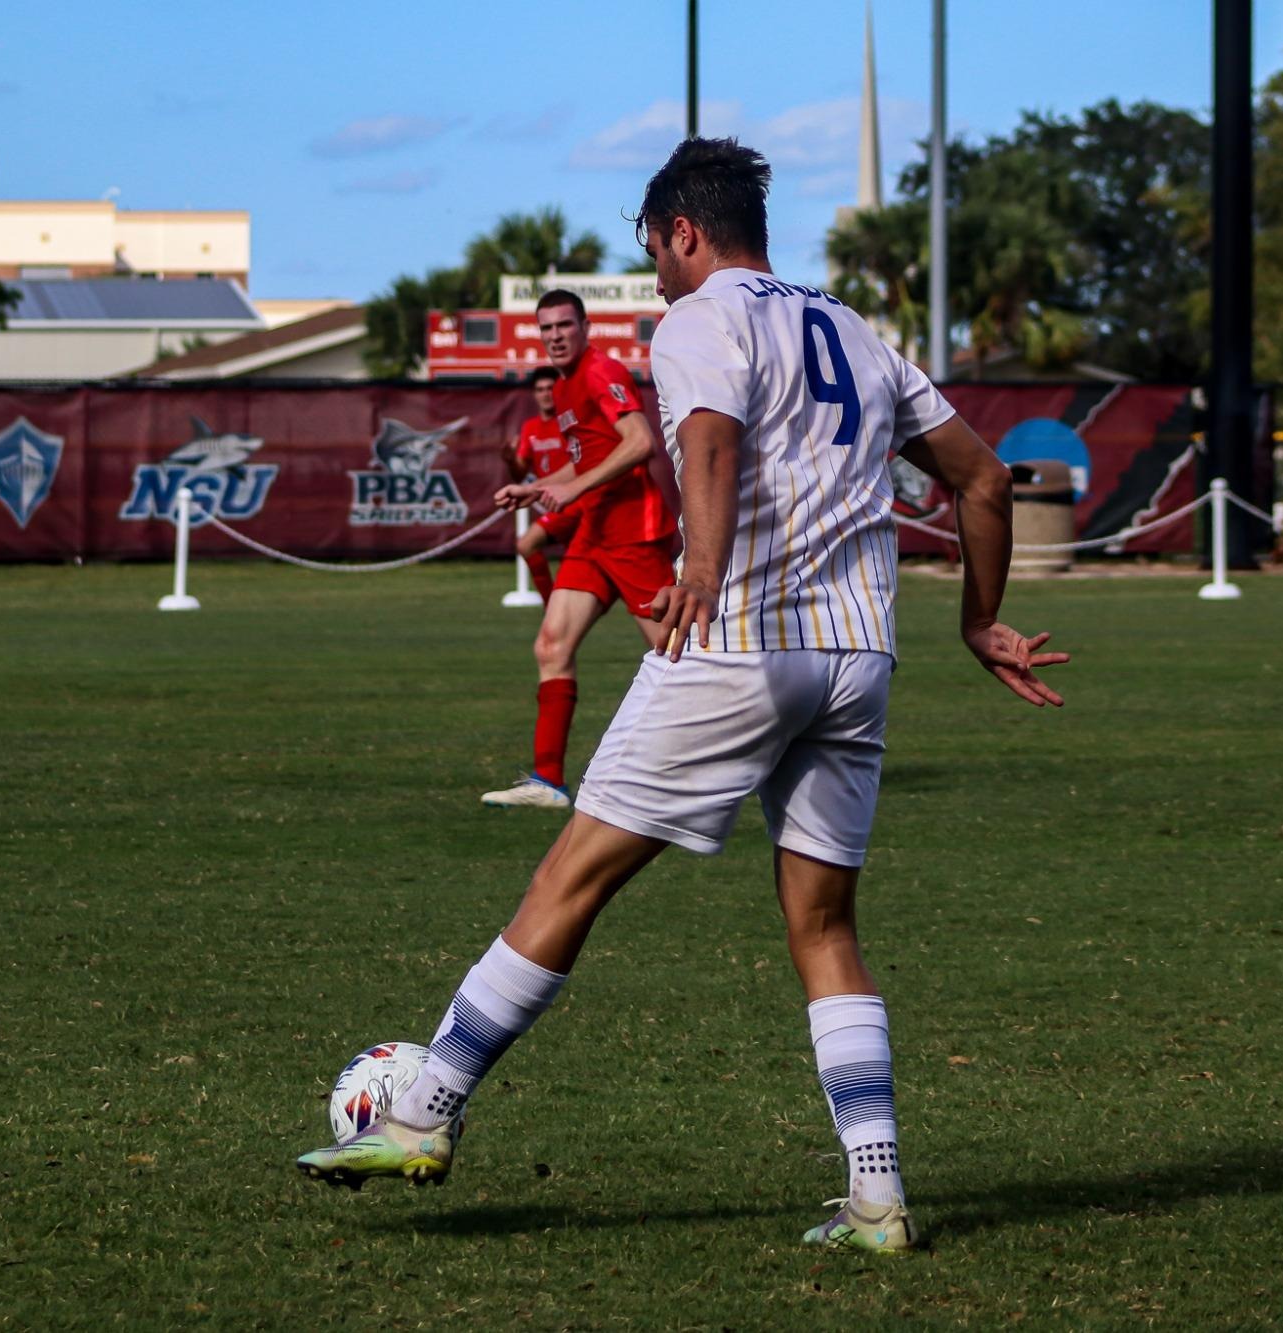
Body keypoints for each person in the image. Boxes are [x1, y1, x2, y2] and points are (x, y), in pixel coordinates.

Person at [297, 137, 1070, 1253]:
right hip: (858, 657)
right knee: (823, 926)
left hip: (741, 640)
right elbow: (983, 478)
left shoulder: (702, 317)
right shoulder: (853, 329)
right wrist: (978, 619)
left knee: (571, 875)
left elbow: (708, 437)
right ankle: (877, 1197)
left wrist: (701, 566)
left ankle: (423, 1111)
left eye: (652, 247)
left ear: (684, 232)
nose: (655, 272)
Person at [478, 289, 678, 810]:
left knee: (678, 656)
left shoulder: (598, 371)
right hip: (595, 532)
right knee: (551, 645)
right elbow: (589, 457)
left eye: (564, 325)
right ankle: (548, 782)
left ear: (585, 328)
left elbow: (640, 442)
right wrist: (538, 487)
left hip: (633, 531)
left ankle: (751, 748)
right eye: (546, 328)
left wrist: (573, 489)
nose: (556, 336)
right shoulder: (565, 385)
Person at [496, 366, 576, 603]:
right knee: (581, 569)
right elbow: (519, 475)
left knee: (527, 543)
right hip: (554, 505)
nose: (545, 394)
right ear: (534, 394)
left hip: (575, 502)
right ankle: (555, 609)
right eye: (540, 389)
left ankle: (551, 608)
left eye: (550, 388)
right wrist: (510, 460)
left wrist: (536, 488)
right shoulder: (530, 427)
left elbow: (580, 465)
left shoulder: (569, 424)